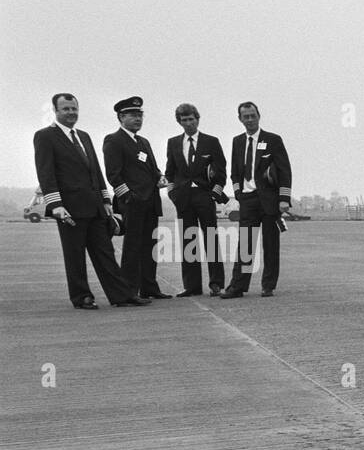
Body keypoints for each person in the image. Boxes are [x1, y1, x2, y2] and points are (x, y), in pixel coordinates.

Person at [32, 93, 150, 309]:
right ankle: (82, 296)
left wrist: (106, 199)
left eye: (74, 109)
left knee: (105, 252)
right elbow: (45, 173)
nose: (71, 113)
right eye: (66, 109)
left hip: (95, 206)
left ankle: (121, 295)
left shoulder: (83, 136)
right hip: (69, 208)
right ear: (55, 111)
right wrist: (56, 205)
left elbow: (95, 169)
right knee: (75, 254)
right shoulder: (45, 136)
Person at [222, 101, 291, 298]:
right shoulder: (237, 141)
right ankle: (238, 286)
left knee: (270, 245)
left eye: (253, 115)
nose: (250, 120)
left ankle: (268, 285)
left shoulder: (273, 140)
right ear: (240, 119)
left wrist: (284, 198)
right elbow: (235, 171)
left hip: (270, 201)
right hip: (248, 200)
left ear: (259, 116)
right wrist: (238, 193)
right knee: (245, 244)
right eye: (246, 116)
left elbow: (284, 170)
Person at [103, 96, 170, 299]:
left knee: (149, 246)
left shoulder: (143, 141)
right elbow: (113, 174)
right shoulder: (114, 140)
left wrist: (160, 178)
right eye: (133, 115)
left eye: (140, 115)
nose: (138, 119)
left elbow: (153, 169)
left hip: (150, 201)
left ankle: (149, 287)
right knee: (132, 247)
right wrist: (128, 197)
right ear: (121, 117)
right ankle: (129, 290)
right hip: (132, 203)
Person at [164, 103, 228, 297]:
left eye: (191, 119)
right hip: (183, 198)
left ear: (197, 119)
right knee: (188, 241)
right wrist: (173, 194)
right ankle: (192, 286)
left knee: (211, 239)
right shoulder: (173, 143)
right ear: (179, 122)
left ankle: (216, 283)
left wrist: (213, 194)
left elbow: (221, 172)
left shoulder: (211, 142)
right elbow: (170, 173)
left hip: (204, 197)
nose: (189, 123)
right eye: (184, 120)